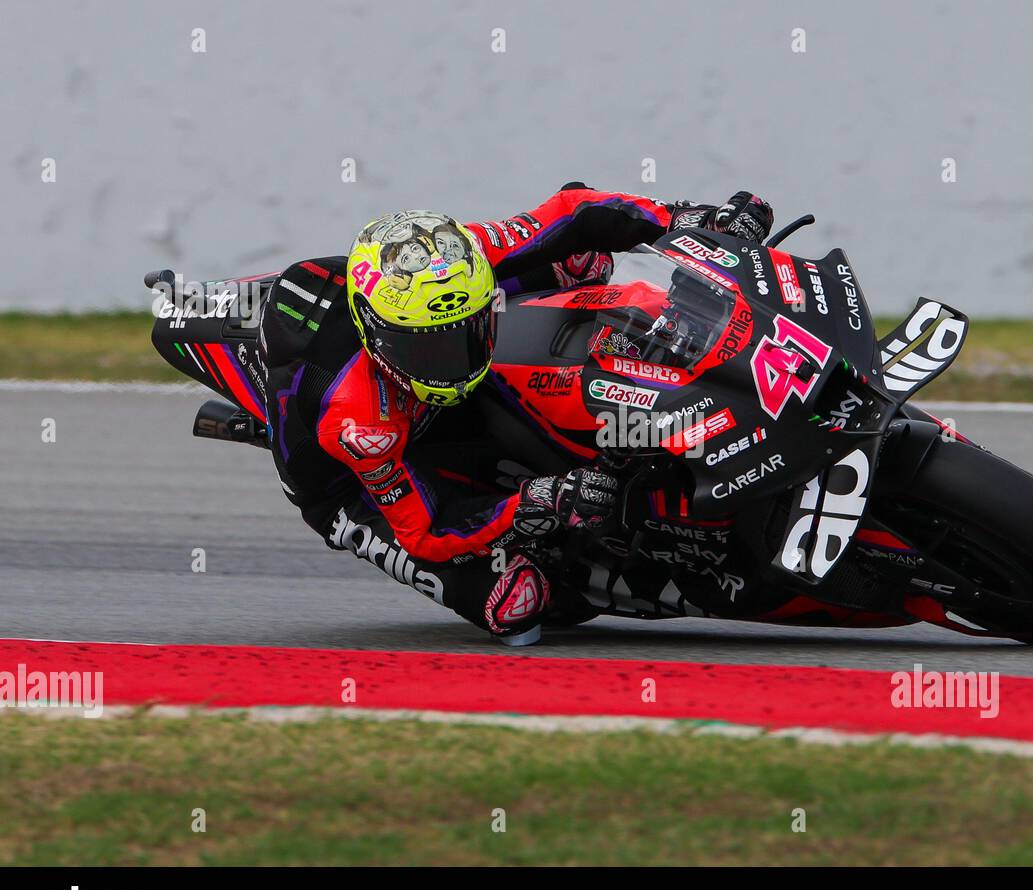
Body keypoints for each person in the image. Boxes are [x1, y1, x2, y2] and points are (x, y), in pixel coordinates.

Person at [256, 184, 773, 638]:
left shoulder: (461, 258)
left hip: (413, 380)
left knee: (576, 263)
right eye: (431, 349)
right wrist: (543, 499)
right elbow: (427, 530)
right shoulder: (356, 421)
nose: (455, 358)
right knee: (513, 602)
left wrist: (688, 220)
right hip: (347, 487)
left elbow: (572, 212)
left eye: (467, 332)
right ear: (379, 337)